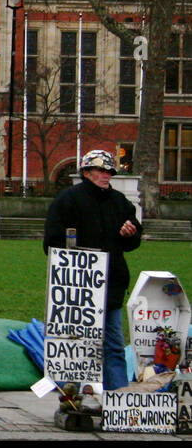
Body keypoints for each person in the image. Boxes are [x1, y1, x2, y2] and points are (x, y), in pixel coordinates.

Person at [44, 149, 141, 393]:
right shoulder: (67, 200)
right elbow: (52, 243)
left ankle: (117, 397)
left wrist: (131, 233)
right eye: (100, 170)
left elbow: (134, 237)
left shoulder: (120, 202)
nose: (106, 175)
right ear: (86, 172)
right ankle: (72, 397)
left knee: (114, 345)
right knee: (76, 345)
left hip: (111, 286)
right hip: (77, 288)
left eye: (109, 171)